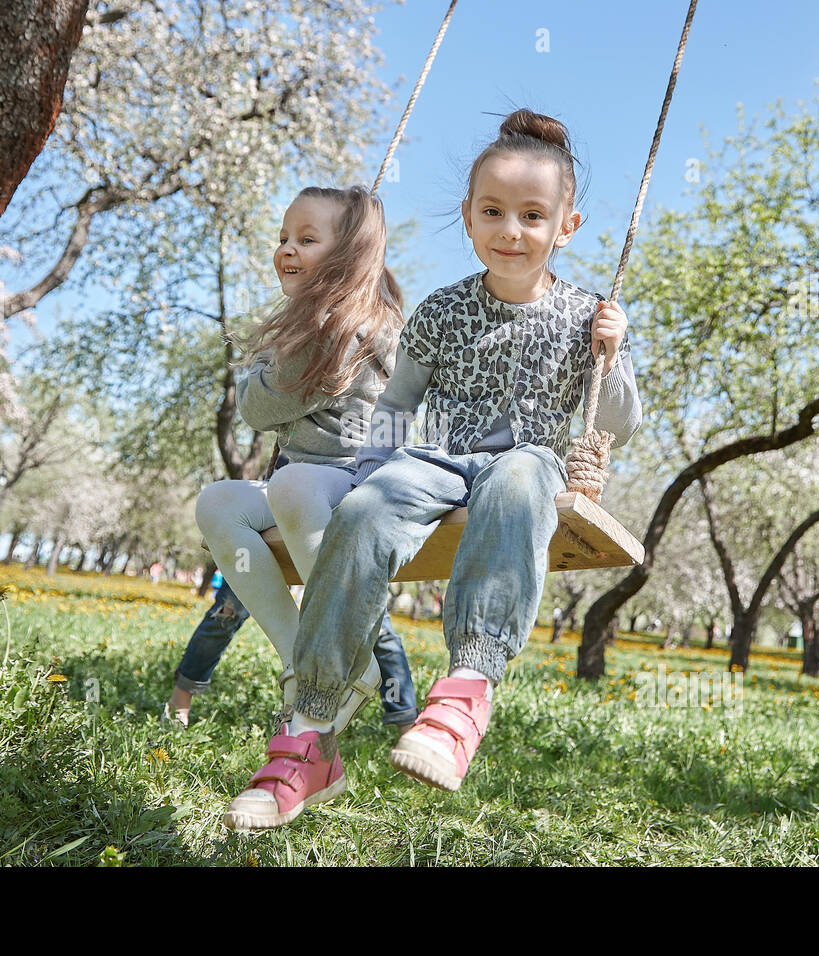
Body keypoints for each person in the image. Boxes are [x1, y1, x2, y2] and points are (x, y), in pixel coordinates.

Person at [224, 109, 642, 830]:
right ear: (469, 218)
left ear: (565, 227)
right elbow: (397, 403)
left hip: (528, 461)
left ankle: (463, 693)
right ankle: (309, 734)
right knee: (362, 511)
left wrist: (618, 351)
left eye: (532, 216)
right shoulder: (443, 310)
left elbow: (617, 423)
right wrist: (369, 474)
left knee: (514, 480)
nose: (511, 230)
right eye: (494, 212)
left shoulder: (585, 316)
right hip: (436, 457)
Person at [191, 185, 415, 746]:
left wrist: (260, 368)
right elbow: (261, 406)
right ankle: (303, 663)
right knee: (218, 501)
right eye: (283, 237)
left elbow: (260, 405)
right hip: (304, 484)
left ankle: (345, 653)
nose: (287, 249)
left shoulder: (349, 328)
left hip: (355, 482)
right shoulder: (310, 321)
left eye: (307, 239)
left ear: (348, 256)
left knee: (289, 482)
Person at [164, 578, 416, 729]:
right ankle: (181, 697)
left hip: (336, 520)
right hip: (271, 522)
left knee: (378, 628)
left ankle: (407, 726)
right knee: (228, 611)